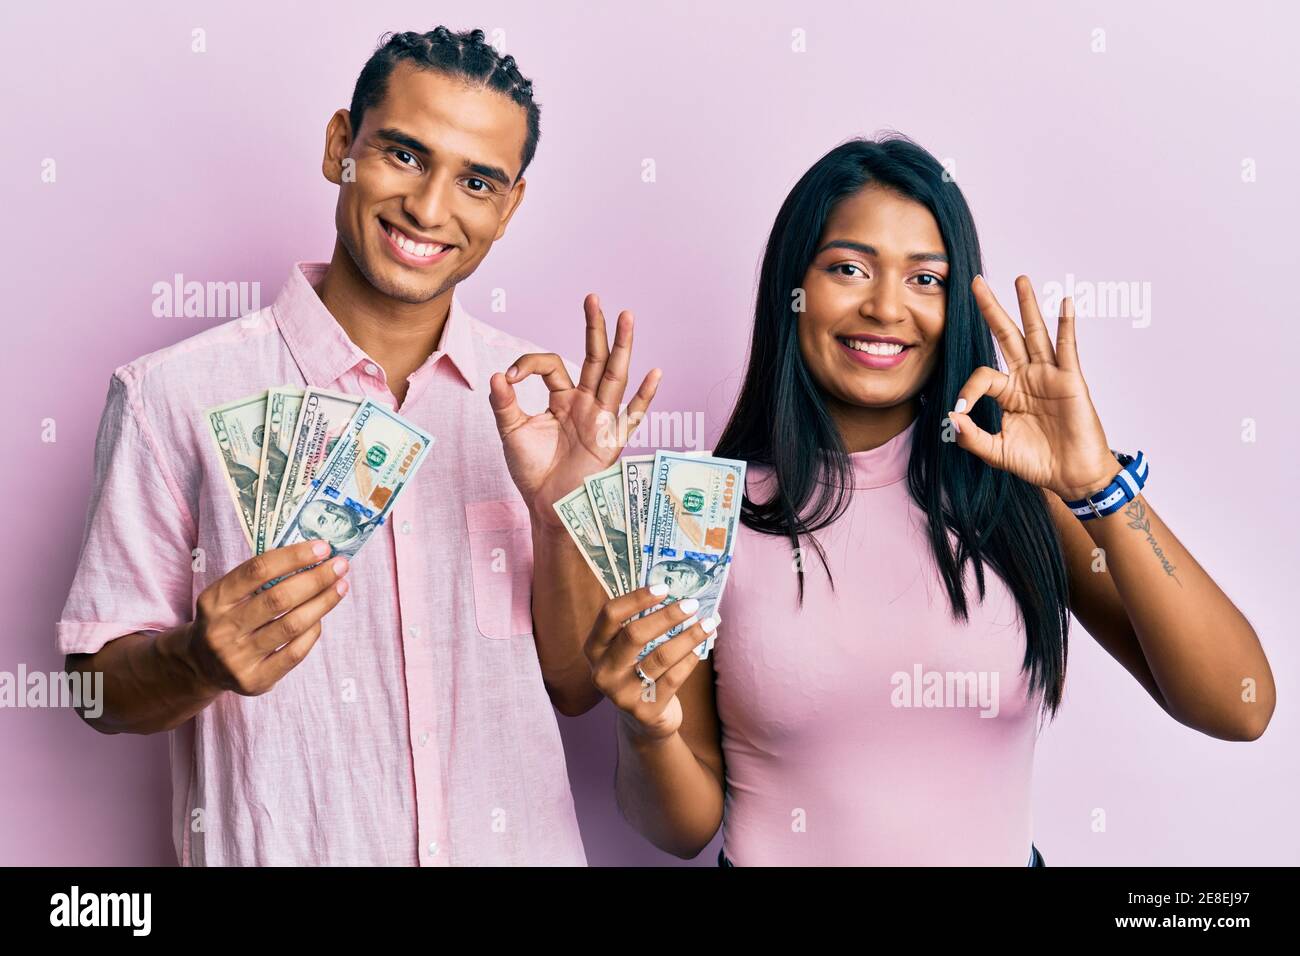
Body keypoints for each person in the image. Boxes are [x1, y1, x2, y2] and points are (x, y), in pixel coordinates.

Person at [581, 135, 1275, 866]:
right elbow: (680, 830)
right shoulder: (693, 510)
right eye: (847, 268)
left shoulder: (1014, 491)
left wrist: (1098, 483)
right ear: (794, 289)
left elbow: (1239, 704)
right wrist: (646, 729)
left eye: (926, 279)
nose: (885, 307)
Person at [57, 26, 656, 866]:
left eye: (476, 181)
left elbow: (569, 687)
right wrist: (194, 659)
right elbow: (90, 689)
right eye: (405, 155)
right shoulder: (173, 397)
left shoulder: (540, 414)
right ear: (342, 145)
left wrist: (559, 515)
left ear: (510, 206)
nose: (430, 208)